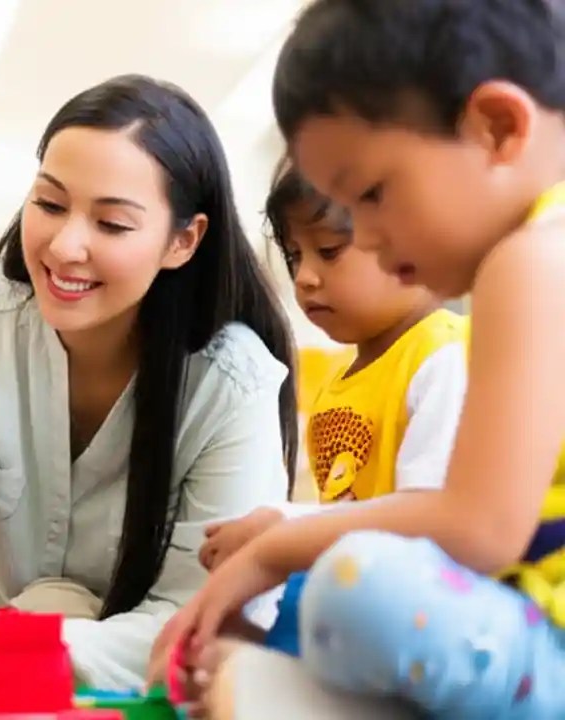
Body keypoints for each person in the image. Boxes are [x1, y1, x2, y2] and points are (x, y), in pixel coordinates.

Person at [164, 1, 565, 717]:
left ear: (498, 128)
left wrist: (276, 549)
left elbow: (478, 529)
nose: (371, 237)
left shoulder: (531, 257)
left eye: (372, 195)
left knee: (359, 584)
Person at [0, 73, 299, 691]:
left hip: (102, 686)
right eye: (50, 204)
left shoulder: (231, 381)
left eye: (112, 224)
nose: (65, 245)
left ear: (183, 240)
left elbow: (202, 618)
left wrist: (9, 645)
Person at [188, 159, 469, 660]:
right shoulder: (343, 379)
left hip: (423, 611)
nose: (305, 279)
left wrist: (285, 524)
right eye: (296, 255)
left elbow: (434, 526)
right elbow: (350, 515)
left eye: (330, 251)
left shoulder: (443, 358)